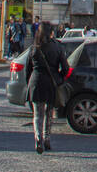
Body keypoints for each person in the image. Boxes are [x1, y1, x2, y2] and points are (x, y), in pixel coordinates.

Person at [25, 21, 69, 153]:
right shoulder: (57, 47)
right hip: (51, 83)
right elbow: (65, 68)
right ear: (51, 32)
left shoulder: (34, 47)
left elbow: (28, 69)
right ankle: (47, 139)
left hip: (36, 82)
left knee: (37, 114)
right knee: (49, 113)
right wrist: (60, 78)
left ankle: (38, 138)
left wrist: (29, 83)